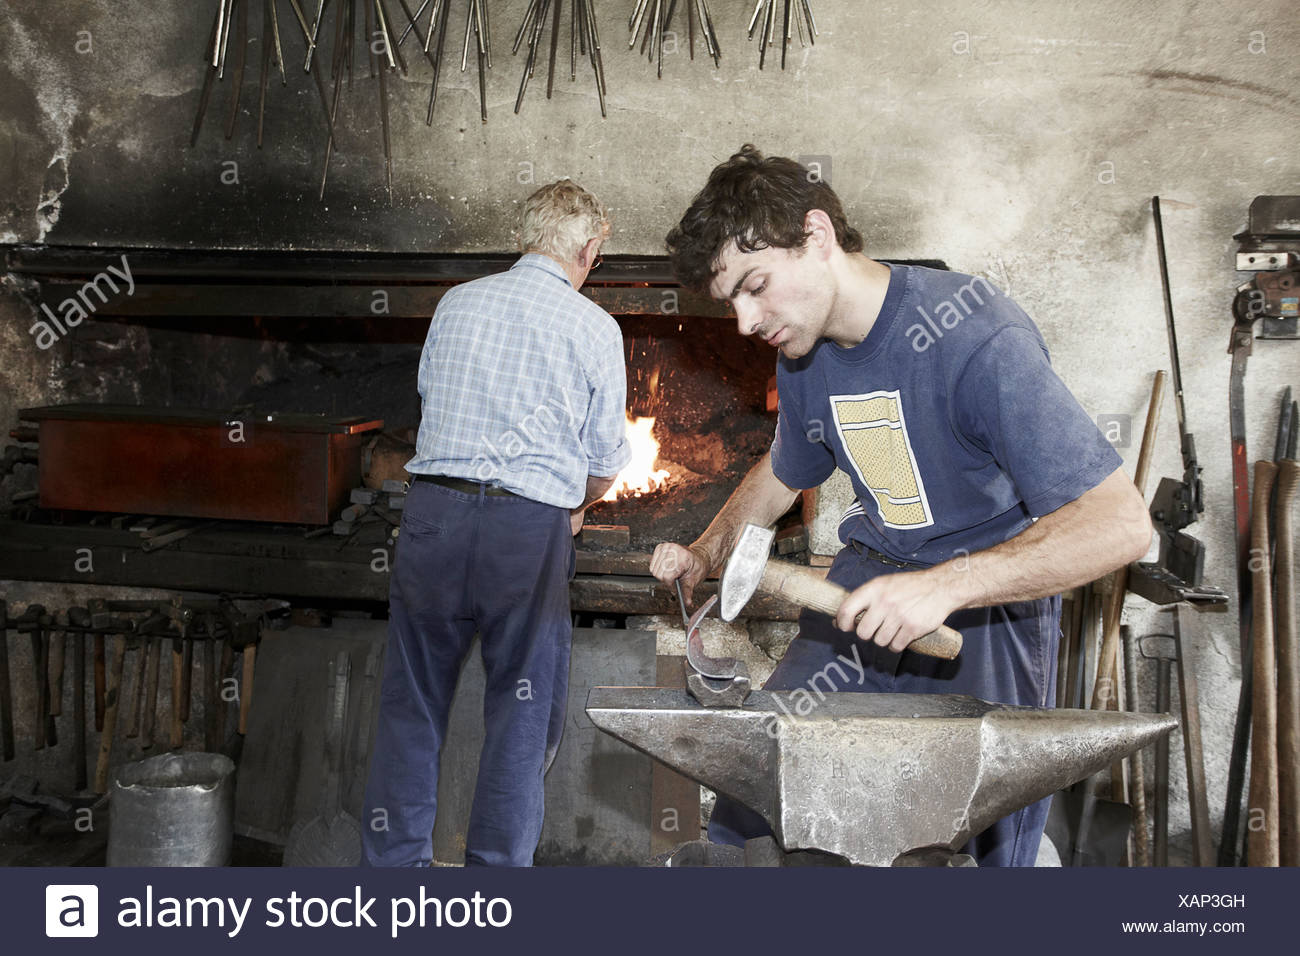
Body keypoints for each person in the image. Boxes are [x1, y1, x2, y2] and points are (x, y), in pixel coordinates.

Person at [650, 145, 1152, 866]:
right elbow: (782, 471)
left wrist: (945, 586)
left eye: (754, 286)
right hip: (863, 587)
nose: (744, 322)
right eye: (731, 301)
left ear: (817, 236)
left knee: (965, 838)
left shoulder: (976, 337)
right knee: (763, 797)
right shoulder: (804, 355)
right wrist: (707, 549)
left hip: (987, 609)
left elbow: (1120, 524)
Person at [363, 179, 631, 867]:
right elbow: (604, 456)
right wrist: (577, 504)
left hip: (433, 517)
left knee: (411, 704)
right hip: (526, 532)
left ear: (524, 237)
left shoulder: (456, 303)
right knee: (519, 712)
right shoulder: (595, 327)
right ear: (591, 247)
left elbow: (428, 403)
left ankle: (392, 880)